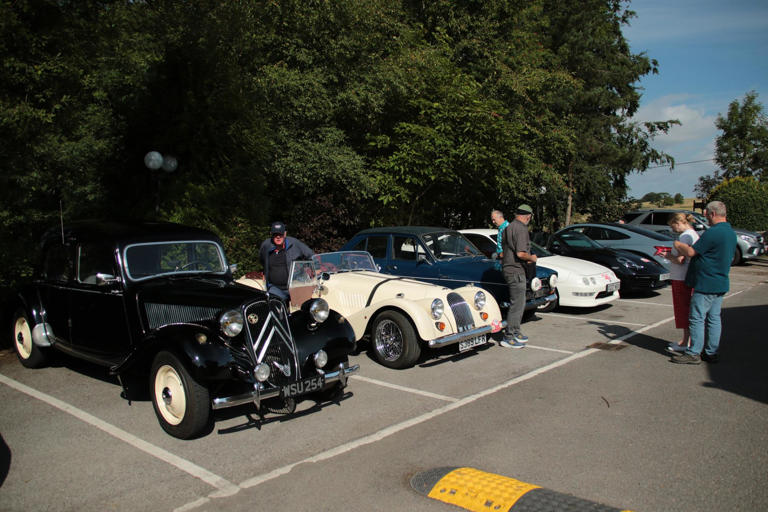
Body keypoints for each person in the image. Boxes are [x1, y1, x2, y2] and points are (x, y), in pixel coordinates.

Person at [670, 201, 736, 364]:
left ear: (713, 214)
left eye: (706, 214)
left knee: (697, 317)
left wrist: (677, 244)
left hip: (706, 282)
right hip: (720, 280)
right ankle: (711, 351)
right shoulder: (730, 232)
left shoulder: (713, 232)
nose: (705, 217)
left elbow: (692, 252)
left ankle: (693, 352)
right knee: (714, 318)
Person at [500, 204, 537, 348]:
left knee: (519, 303)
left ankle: (515, 331)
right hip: (516, 270)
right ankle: (508, 336)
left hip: (509, 269)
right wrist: (532, 258)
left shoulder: (508, 227)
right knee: (517, 304)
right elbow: (521, 253)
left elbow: (504, 251)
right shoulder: (521, 229)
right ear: (528, 216)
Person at [664, 213, 700, 354]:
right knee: (688, 309)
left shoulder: (684, 237)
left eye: (672, 226)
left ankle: (685, 342)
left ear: (678, 223)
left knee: (683, 310)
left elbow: (680, 259)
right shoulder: (693, 234)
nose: (672, 229)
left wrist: (667, 256)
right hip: (688, 276)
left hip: (681, 277)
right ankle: (687, 341)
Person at [258, 221, 314, 301]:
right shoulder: (266, 245)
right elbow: (262, 259)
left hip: (296, 286)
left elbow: (311, 255)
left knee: (302, 308)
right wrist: (264, 272)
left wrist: (313, 269)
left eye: (280, 234)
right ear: (271, 234)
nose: (278, 237)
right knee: (273, 306)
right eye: (275, 234)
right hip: (276, 288)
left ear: (285, 234)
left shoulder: (294, 243)